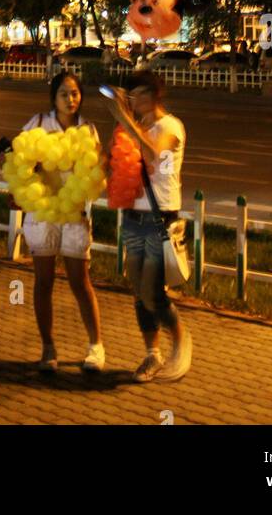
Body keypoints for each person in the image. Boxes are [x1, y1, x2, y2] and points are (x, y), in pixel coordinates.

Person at [5, 71, 106, 373]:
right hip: (42, 214)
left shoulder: (87, 129)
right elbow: (17, 159)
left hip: (74, 213)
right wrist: (19, 191)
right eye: (64, 93)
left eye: (75, 93)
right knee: (43, 281)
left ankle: (96, 347)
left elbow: (97, 168)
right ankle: (48, 347)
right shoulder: (37, 124)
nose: (70, 99)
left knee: (80, 281)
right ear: (54, 97)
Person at [104, 70, 192, 383]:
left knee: (153, 292)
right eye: (130, 95)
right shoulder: (137, 125)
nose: (134, 100)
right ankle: (151, 355)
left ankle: (180, 341)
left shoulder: (171, 126)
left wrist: (125, 119)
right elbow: (117, 161)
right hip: (133, 215)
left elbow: (155, 155)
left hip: (159, 217)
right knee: (139, 292)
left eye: (140, 94)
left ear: (155, 95)